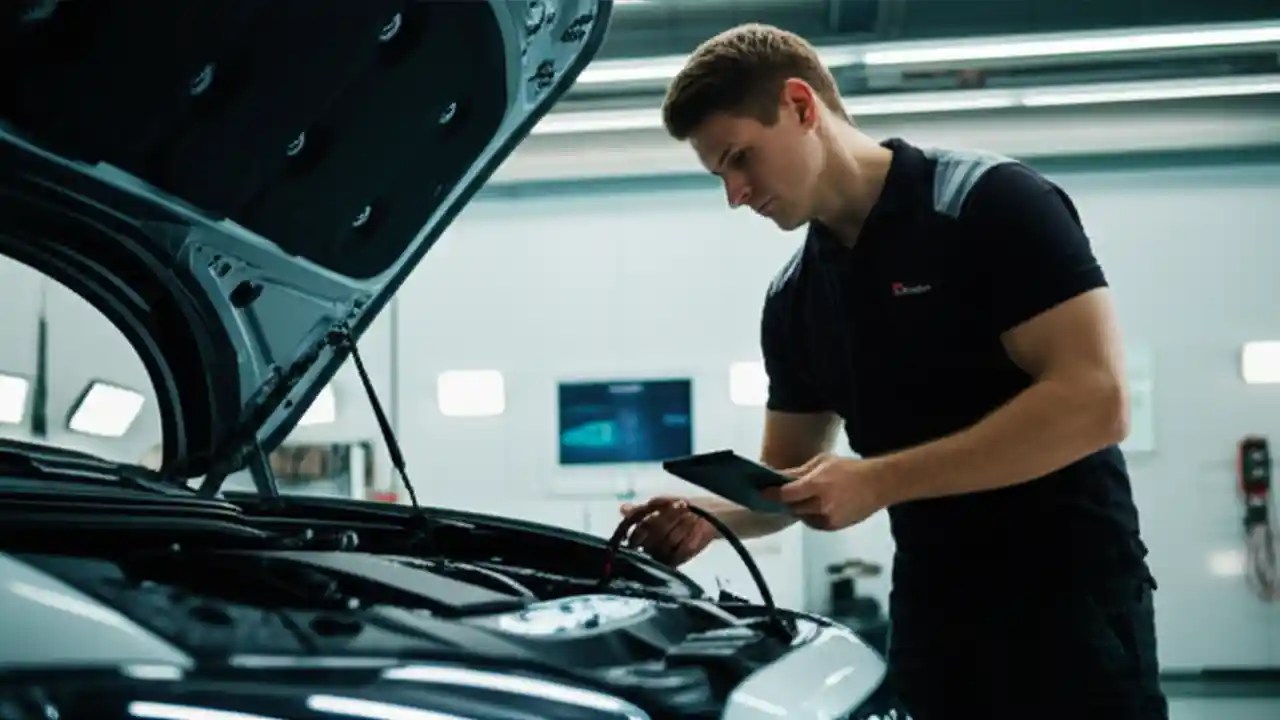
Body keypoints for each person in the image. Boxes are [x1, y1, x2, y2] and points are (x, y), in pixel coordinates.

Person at [619, 22, 1168, 720]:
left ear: (801, 105)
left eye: (740, 159)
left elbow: (1097, 399)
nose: (735, 193)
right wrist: (707, 517)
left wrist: (878, 479)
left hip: (1070, 608)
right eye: (719, 174)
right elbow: (784, 486)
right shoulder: (795, 300)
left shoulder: (989, 203)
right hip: (934, 617)